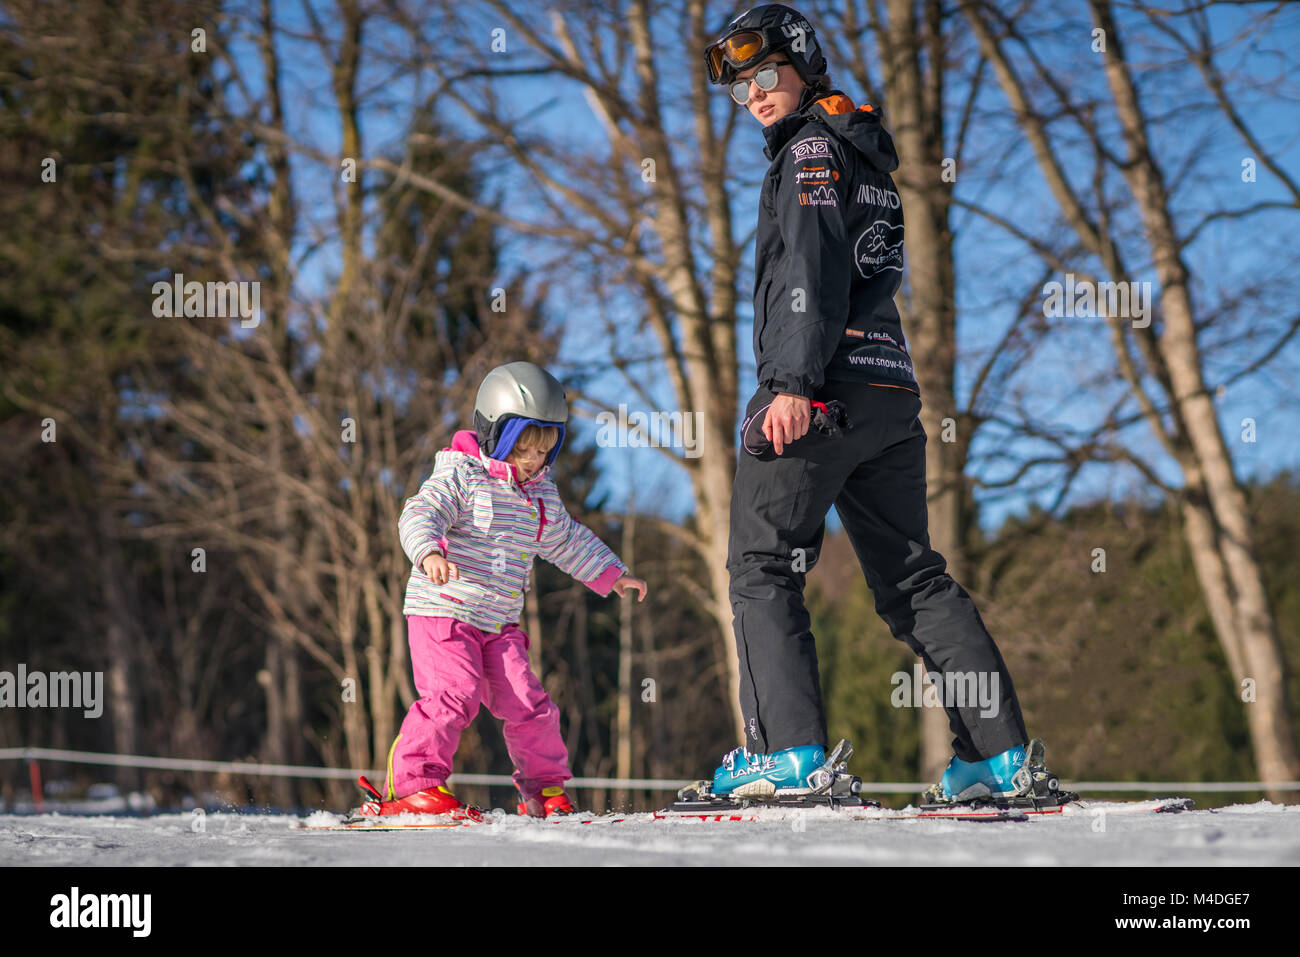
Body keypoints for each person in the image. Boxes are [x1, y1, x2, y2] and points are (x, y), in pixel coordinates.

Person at [703, 3, 1061, 804]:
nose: (755, 95)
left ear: (803, 61)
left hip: (822, 389)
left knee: (761, 563)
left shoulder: (809, 154)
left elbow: (808, 270)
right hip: (890, 390)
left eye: (765, 74)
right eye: (741, 88)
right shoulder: (862, 149)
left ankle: (787, 755)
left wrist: (792, 384)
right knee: (914, 581)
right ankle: (997, 760)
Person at [359, 361, 648, 818]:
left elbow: (567, 541)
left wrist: (612, 573)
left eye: (544, 451)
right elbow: (421, 512)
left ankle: (543, 791)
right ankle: (411, 787)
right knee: (455, 694)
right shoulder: (461, 476)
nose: (533, 461)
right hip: (444, 612)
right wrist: (429, 553)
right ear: (495, 434)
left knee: (530, 704)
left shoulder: (541, 496)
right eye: (523, 448)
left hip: (498, 623)